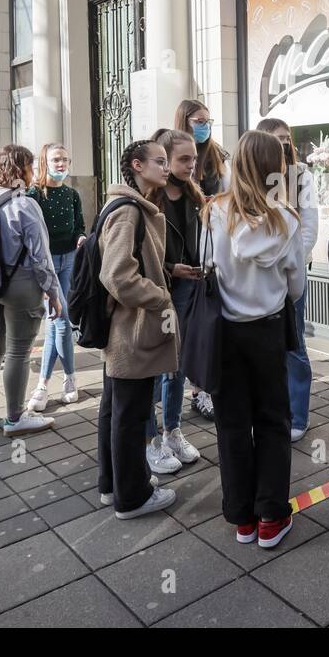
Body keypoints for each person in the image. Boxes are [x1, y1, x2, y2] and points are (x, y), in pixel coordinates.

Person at [203, 130, 305, 547]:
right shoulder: (288, 218)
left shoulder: (213, 212)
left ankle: (242, 518)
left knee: (231, 424)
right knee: (273, 422)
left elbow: (207, 265)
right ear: (274, 167)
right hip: (267, 327)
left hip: (225, 330)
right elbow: (296, 283)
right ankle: (271, 517)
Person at [96, 139, 180, 519]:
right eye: (159, 162)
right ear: (137, 165)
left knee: (116, 408)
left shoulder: (134, 207)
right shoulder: (129, 211)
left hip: (124, 325)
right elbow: (118, 275)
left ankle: (113, 485)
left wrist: (168, 274)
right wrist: (160, 297)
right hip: (130, 327)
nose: (167, 168)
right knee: (130, 413)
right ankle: (132, 498)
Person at [0, 145, 59, 438]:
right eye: (31, 167)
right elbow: (40, 255)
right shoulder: (25, 204)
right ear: (22, 170)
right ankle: (15, 418)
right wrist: (53, 291)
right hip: (19, 284)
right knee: (18, 352)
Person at [141, 127, 205, 473]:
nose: (191, 165)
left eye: (193, 158)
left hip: (188, 291)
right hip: (158, 292)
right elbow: (137, 255)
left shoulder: (195, 196)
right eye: (183, 159)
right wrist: (170, 268)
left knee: (177, 366)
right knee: (155, 366)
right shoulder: (149, 200)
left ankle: (172, 431)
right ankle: (150, 439)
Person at [256, 117, 319, 442]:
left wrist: (293, 261)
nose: (282, 143)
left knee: (293, 344)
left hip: (291, 273)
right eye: (275, 138)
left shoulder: (301, 175)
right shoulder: (252, 176)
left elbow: (309, 225)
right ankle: (272, 410)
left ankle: (298, 415)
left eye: (286, 138)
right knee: (266, 346)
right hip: (260, 276)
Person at [173, 99, 226, 420]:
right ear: (186, 122)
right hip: (185, 253)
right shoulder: (174, 154)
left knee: (207, 324)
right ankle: (184, 394)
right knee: (183, 328)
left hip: (213, 250)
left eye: (208, 120)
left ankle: (202, 388)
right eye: (199, 120)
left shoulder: (217, 155)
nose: (205, 126)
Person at [26, 143, 85, 410]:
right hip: (45, 264)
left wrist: (81, 237)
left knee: (55, 323)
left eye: (65, 159)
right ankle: (70, 378)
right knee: (62, 320)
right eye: (56, 159)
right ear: (44, 162)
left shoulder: (72, 194)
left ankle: (42, 385)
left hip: (68, 261)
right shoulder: (35, 194)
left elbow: (80, 225)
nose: (61, 164)